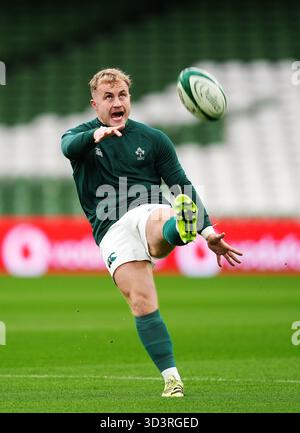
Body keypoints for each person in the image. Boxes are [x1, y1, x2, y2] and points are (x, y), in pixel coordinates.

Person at [61, 68, 243, 397]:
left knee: (157, 223)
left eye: (122, 96)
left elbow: (180, 184)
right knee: (142, 302)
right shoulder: (82, 135)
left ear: (129, 99)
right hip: (108, 228)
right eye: (108, 97)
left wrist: (209, 232)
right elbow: (68, 148)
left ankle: (181, 227)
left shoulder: (153, 139)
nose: (117, 102)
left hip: (147, 208)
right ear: (95, 104)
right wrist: (95, 137)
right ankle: (172, 379)